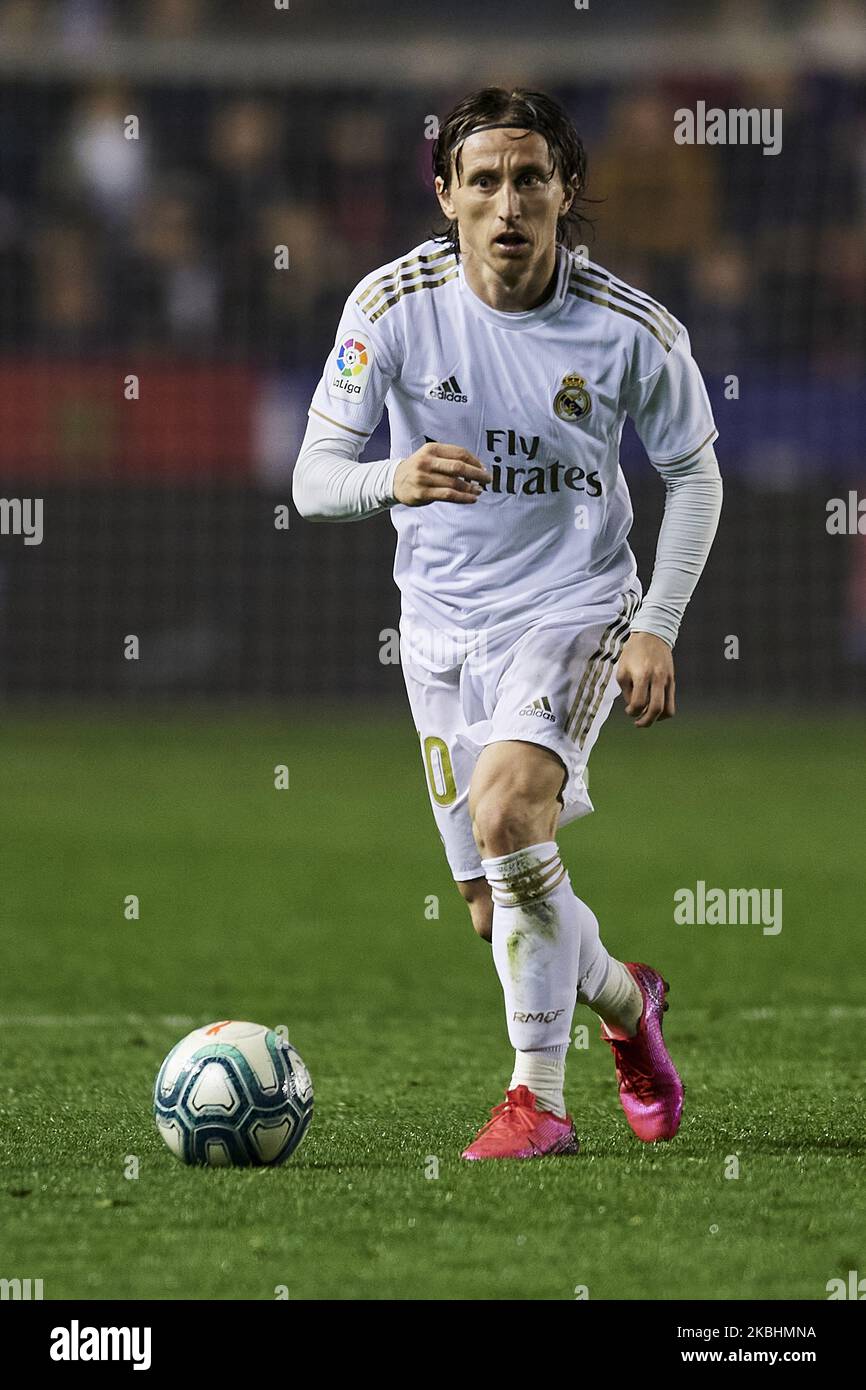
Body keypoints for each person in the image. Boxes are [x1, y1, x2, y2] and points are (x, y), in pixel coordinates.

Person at [293, 87, 722, 1160]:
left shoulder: (630, 330)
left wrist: (654, 624)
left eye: (529, 177)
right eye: (481, 180)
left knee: (506, 813)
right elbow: (308, 478)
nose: (506, 202)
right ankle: (629, 1004)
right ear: (444, 195)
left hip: (573, 603)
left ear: (564, 191)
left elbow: (693, 477)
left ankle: (536, 1102)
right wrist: (393, 477)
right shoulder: (390, 307)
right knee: (497, 906)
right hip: (439, 628)